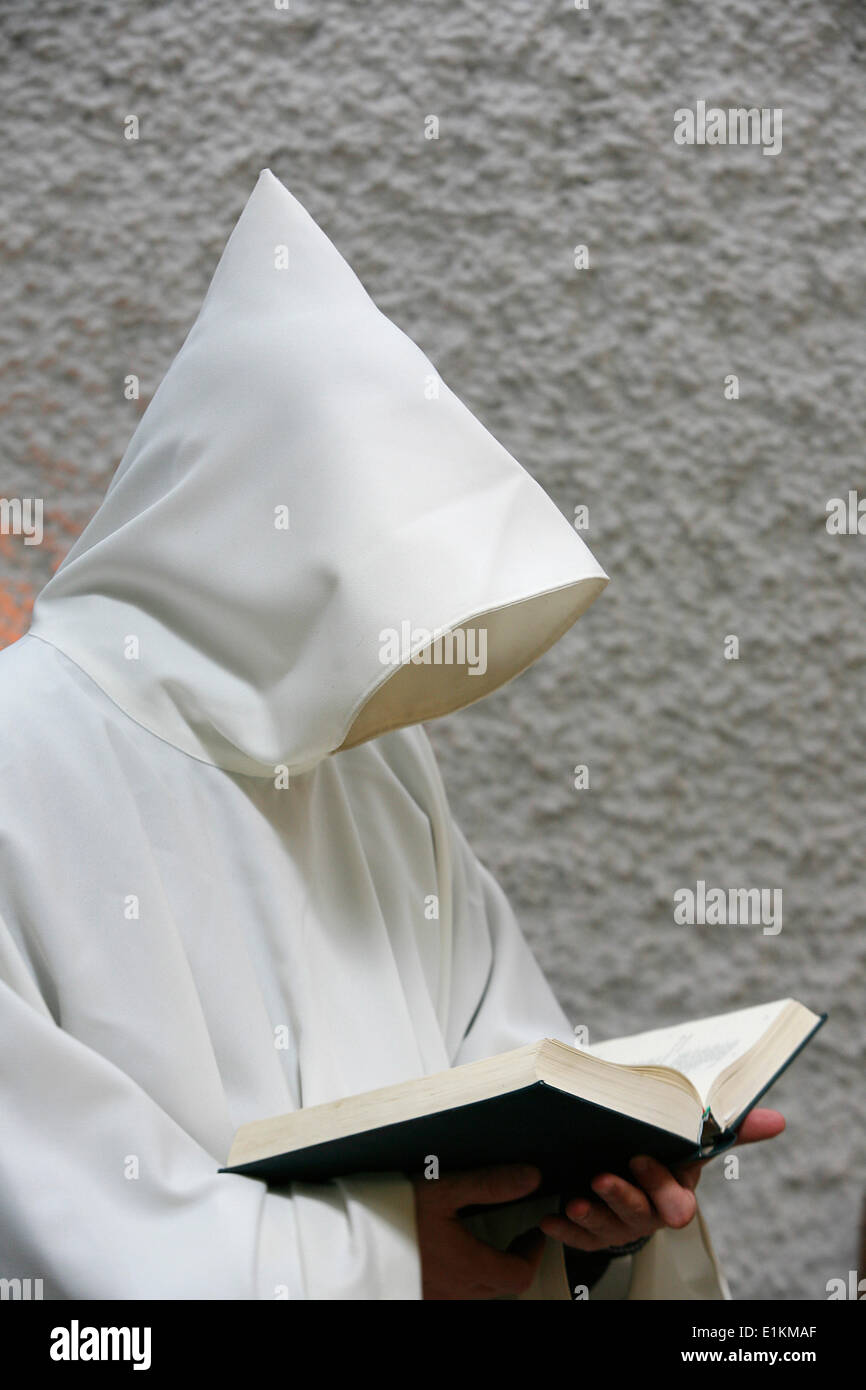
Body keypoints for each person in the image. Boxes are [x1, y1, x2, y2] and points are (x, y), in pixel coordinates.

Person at [0, 170, 783, 1300]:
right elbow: (51, 1218)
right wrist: (387, 1265)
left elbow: (503, 1066)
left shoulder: (372, 769)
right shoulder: (25, 752)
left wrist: (588, 1221)